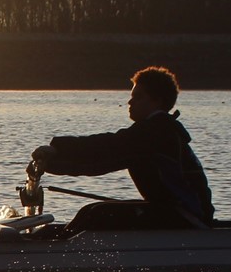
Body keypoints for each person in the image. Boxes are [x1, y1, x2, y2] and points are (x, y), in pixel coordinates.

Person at [27, 66, 212, 233]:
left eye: (138, 97)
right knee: (92, 212)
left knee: (97, 214)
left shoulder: (156, 132)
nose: (130, 102)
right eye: (131, 96)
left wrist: (56, 153)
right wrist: (53, 161)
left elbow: (104, 153)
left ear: (157, 101)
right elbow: (105, 152)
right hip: (178, 213)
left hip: (187, 219)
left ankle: (57, 253)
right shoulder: (158, 128)